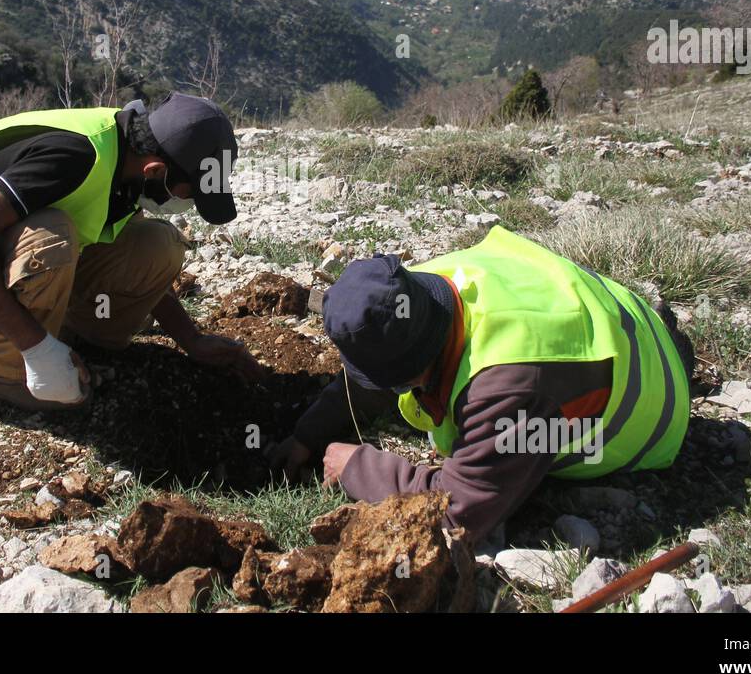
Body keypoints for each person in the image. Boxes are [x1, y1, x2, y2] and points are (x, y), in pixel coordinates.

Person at [269, 225, 693, 542]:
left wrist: (357, 466)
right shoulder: (419, 286)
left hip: (658, 399)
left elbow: (459, 511)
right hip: (616, 310)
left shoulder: (510, 385)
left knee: (669, 362)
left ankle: (680, 352)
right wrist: (310, 432)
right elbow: (381, 357)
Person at [0, 92, 262, 411]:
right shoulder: (75, 157)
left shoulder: (128, 156)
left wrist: (190, 339)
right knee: (49, 238)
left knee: (156, 245)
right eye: (190, 192)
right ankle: (2, 374)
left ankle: (79, 341)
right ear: (155, 170)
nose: (190, 202)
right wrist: (37, 351)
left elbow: (113, 242)